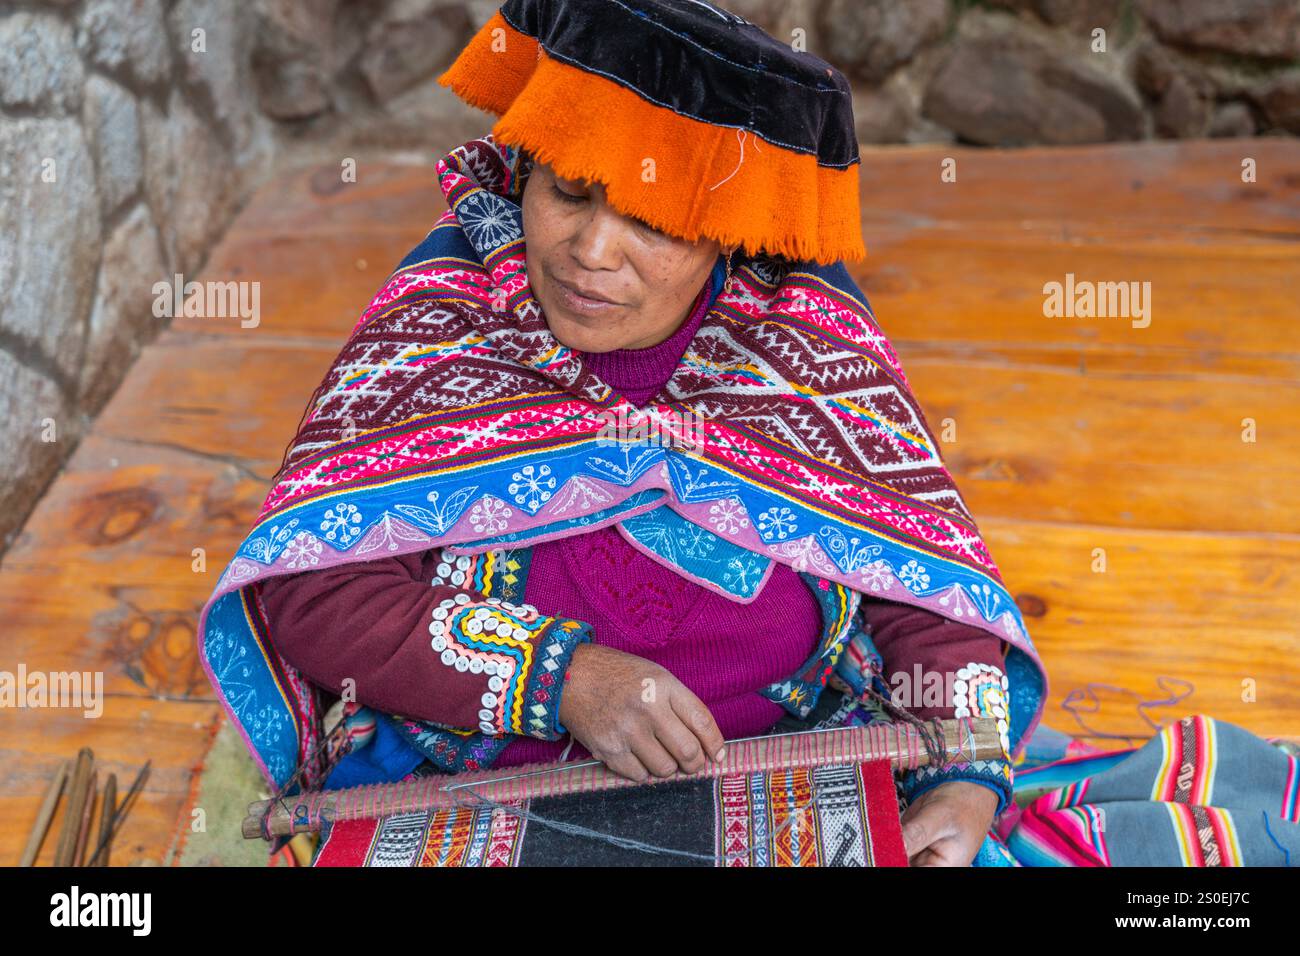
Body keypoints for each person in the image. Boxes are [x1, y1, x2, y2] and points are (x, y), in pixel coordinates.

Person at [198, 0, 1048, 867]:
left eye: (656, 220)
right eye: (568, 191)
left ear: (726, 234)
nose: (592, 251)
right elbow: (316, 595)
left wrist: (966, 774)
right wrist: (562, 679)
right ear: (522, 172)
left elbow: (919, 581)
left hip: (791, 769)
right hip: (468, 784)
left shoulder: (802, 350)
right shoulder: (439, 332)